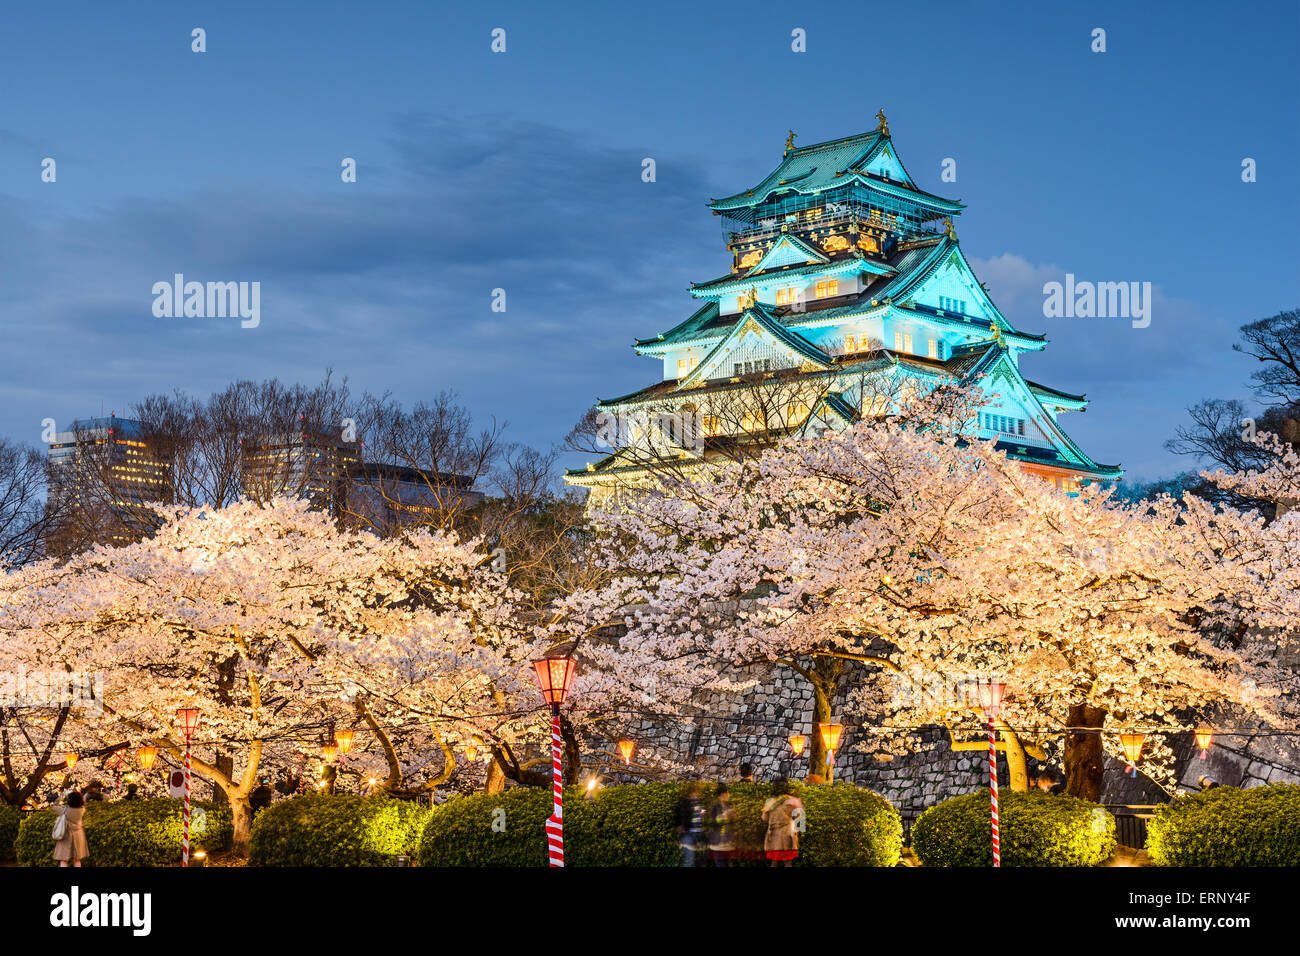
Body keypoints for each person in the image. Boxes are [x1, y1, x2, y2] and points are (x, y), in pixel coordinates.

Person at [761, 779, 804, 867]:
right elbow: (799, 817)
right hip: (787, 835)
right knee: (788, 863)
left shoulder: (770, 802)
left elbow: (764, 818)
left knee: (774, 862)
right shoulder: (791, 801)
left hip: (773, 835)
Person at [53, 791, 88, 868]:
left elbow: (54, 807)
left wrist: (61, 797)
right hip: (79, 836)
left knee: (63, 860)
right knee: (77, 860)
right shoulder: (82, 810)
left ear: (69, 800)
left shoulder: (64, 810)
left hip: (66, 836)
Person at [676, 781, 707, 866]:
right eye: (695, 792)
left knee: (701, 861)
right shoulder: (685, 803)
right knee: (689, 860)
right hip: (689, 833)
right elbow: (682, 816)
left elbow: (702, 816)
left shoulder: (701, 802)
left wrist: (703, 815)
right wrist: (682, 826)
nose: (697, 794)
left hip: (700, 832)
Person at [706, 785, 737, 866]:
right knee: (721, 864)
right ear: (719, 796)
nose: (728, 795)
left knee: (727, 864)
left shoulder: (730, 805)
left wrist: (734, 817)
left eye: (728, 793)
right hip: (718, 843)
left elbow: (733, 824)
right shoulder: (714, 807)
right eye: (725, 793)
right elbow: (711, 823)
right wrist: (723, 816)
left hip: (728, 842)